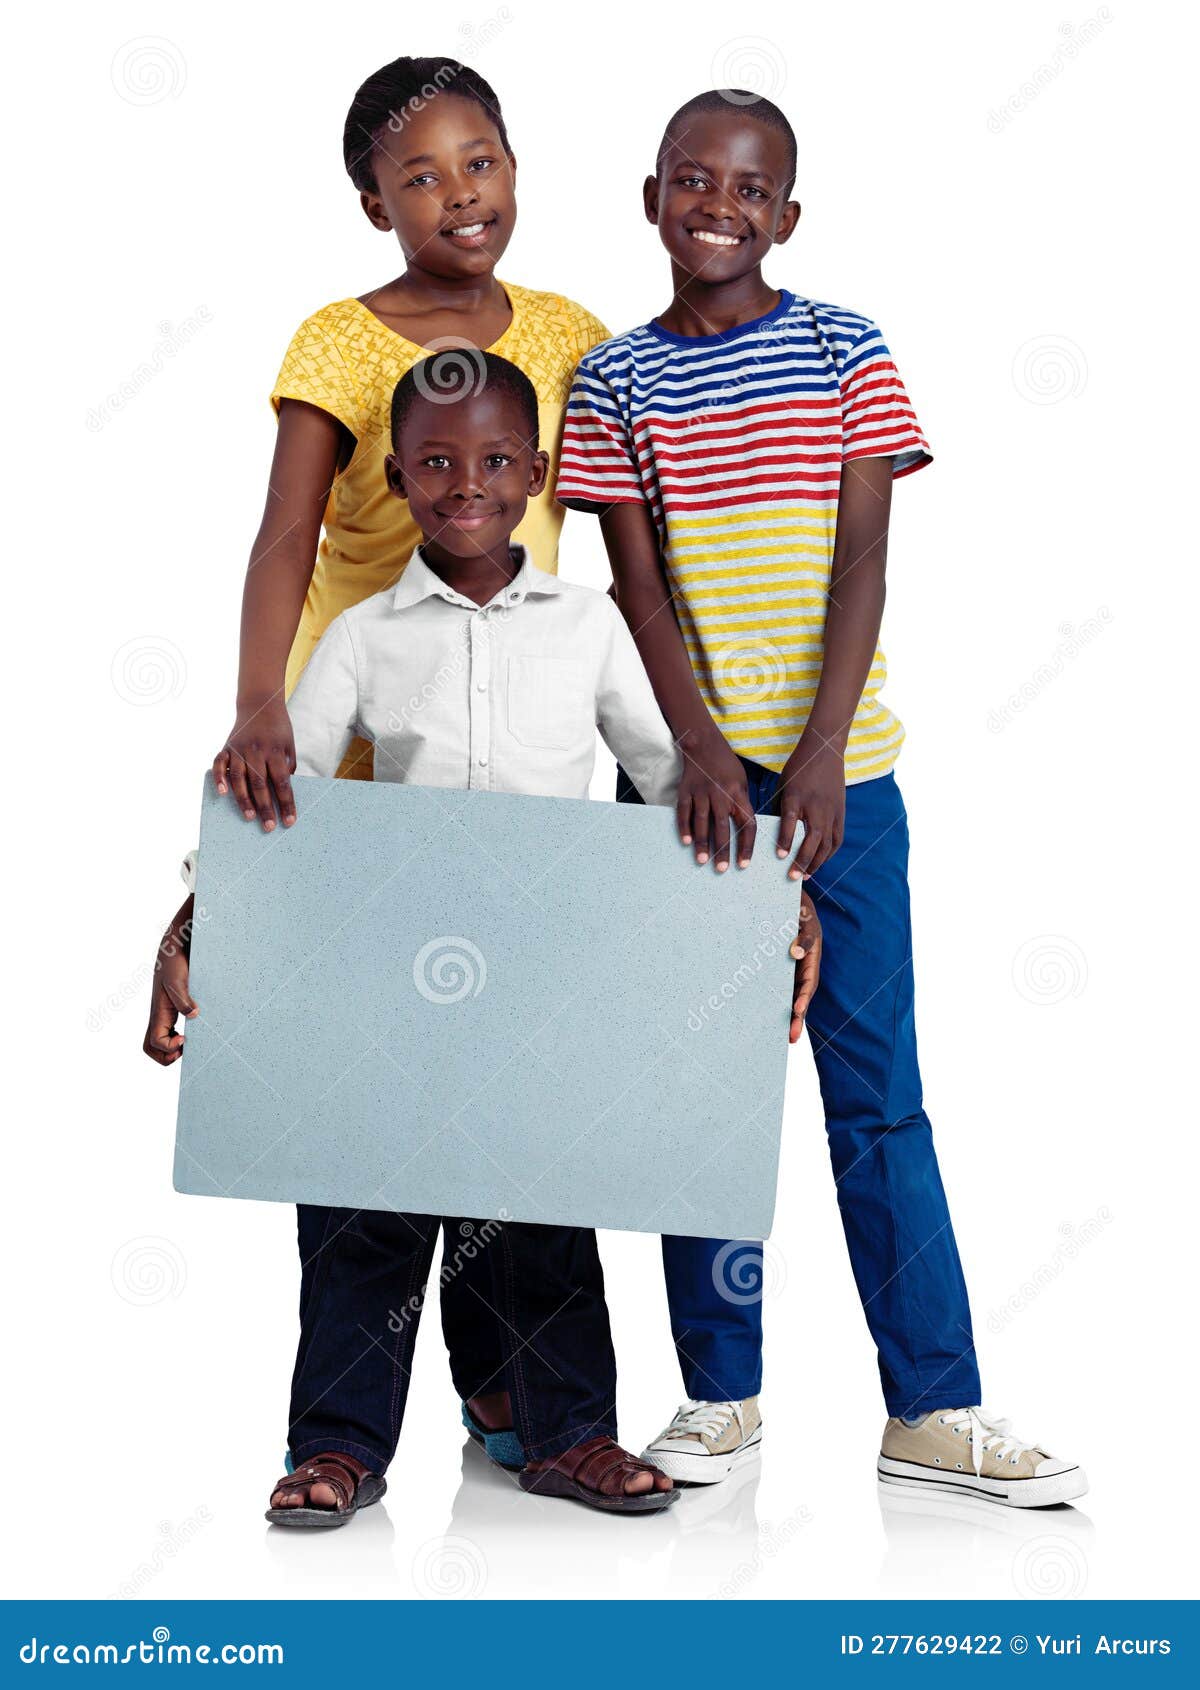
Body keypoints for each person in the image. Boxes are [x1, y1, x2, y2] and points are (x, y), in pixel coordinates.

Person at [146, 352, 820, 1520]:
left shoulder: (589, 625)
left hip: (545, 973)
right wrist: (198, 914)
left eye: (499, 460)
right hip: (391, 968)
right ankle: (338, 1446)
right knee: (360, 1200)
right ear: (398, 480)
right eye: (438, 462)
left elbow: (675, 783)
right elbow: (278, 793)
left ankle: (570, 1435)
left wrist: (775, 903)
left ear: (539, 475)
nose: (469, 484)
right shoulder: (363, 636)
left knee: (543, 1208)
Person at [554, 90, 1087, 1507]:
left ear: (786, 215)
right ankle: (722, 1395)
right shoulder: (614, 379)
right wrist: (697, 753)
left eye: (749, 188)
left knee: (877, 1097)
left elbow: (863, 562)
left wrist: (822, 751)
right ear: (651, 196)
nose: (717, 207)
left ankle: (934, 1404)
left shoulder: (845, 347)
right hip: (688, 793)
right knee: (701, 1095)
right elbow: (636, 586)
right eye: (692, 180)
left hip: (843, 786)